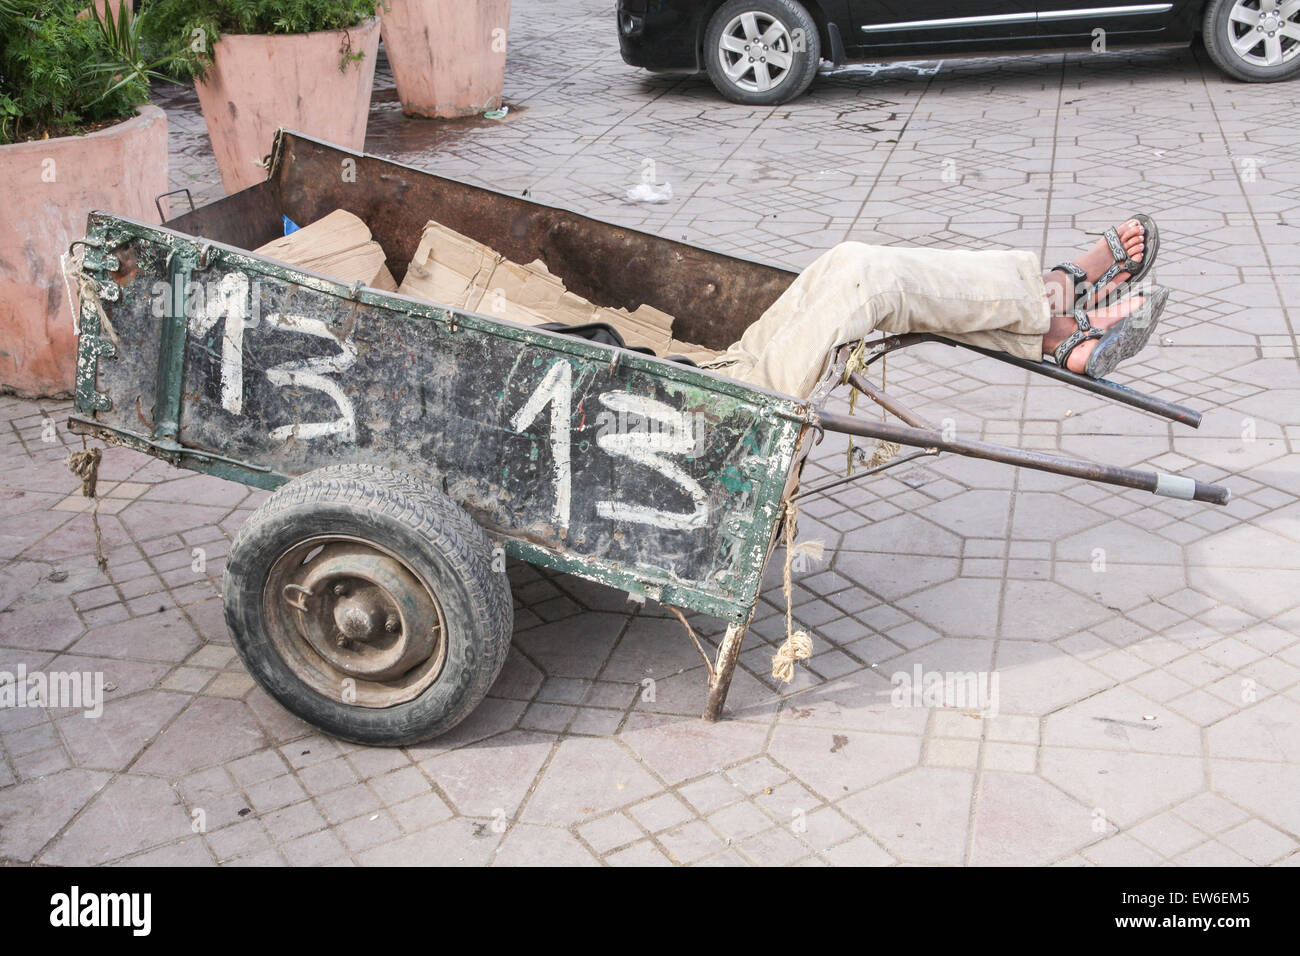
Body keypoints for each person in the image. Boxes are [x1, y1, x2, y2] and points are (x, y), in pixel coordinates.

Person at [708, 215, 1165, 399]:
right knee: (869, 279)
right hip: (709, 403)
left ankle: (1058, 329)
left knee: (847, 259)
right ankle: (1054, 301)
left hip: (711, 369)